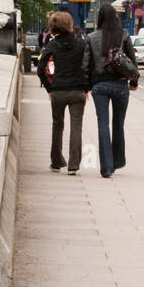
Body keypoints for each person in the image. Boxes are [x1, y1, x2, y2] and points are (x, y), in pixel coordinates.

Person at [83, 4, 137, 179]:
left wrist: (87, 87)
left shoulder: (91, 37)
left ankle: (106, 167)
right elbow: (132, 62)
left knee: (102, 124)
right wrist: (134, 82)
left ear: (99, 18)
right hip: (121, 86)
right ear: (115, 17)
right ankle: (118, 161)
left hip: (100, 86)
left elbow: (86, 65)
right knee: (118, 124)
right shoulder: (124, 35)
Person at [36, 12, 90, 175]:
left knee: (57, 126)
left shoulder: (52, 45)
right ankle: (73, 165)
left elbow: (40, 68)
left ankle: (57, 161)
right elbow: (88, 66)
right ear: (69, 24)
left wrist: (49, 87)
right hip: (77, 91)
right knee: (76, 127)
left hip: (58, 90)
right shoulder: (81, 44)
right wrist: (86, 87)